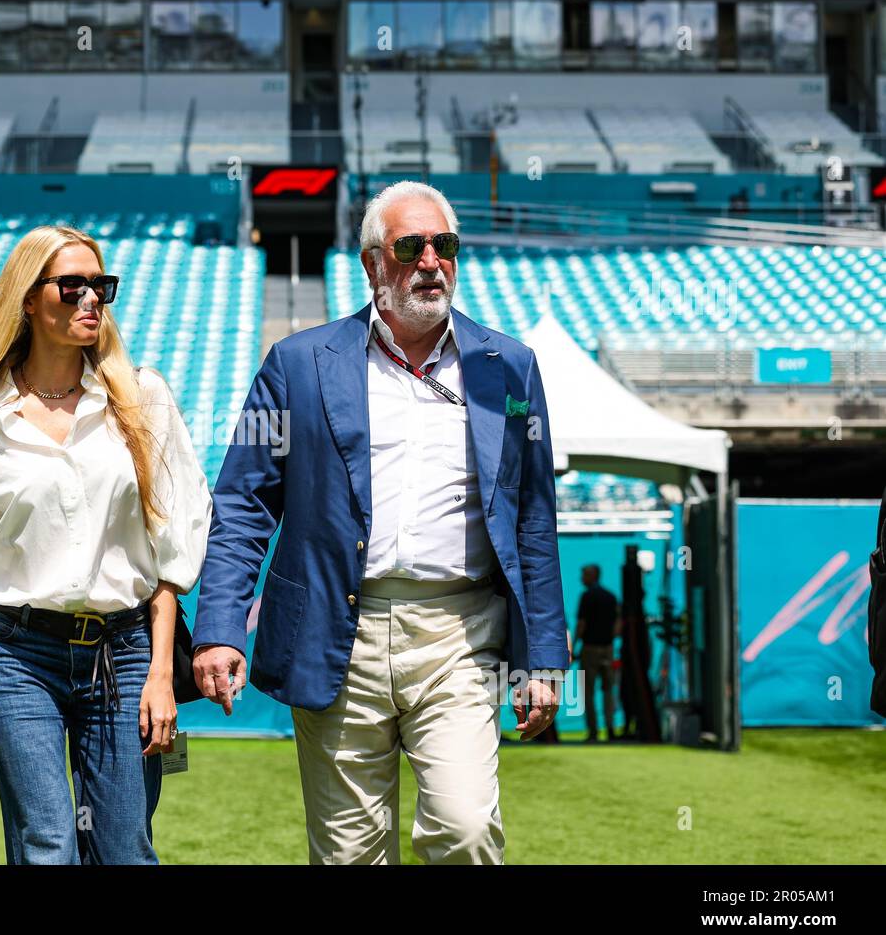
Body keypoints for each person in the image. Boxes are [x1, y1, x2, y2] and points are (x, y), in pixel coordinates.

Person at [193, 180, 569, 864]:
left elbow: (533, 519)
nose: (431, 260)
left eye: (444, 245)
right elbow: (244, 504)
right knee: (350, 856)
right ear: (372, 265)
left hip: (461, 635)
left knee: (465, 830)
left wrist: (541, 657)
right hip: (339, 635)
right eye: (411, 246)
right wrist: (219, 629)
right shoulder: (298, 365)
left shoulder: (510, 368)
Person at [0, 225, 212, 864]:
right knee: (48, 845)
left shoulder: (141, 399)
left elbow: (172, 546)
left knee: (124, 850)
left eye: (102, 286)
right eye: (73, 286)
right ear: (30, 300)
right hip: (16, 655)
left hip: (125, 654)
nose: (91, 299)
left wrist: (160, 674)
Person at [574, 563, 620, 742]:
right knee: (609, 691)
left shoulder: (586, 597)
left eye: (584, 574)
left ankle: (593, 731)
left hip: (590, 649)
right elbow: (618, 623)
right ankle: (610, 728)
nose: (581, 578)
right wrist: (610, 640)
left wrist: (576, 646)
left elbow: (581, 624)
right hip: (607, 649)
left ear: (593, 576)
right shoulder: (611, 597)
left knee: (589, 692)